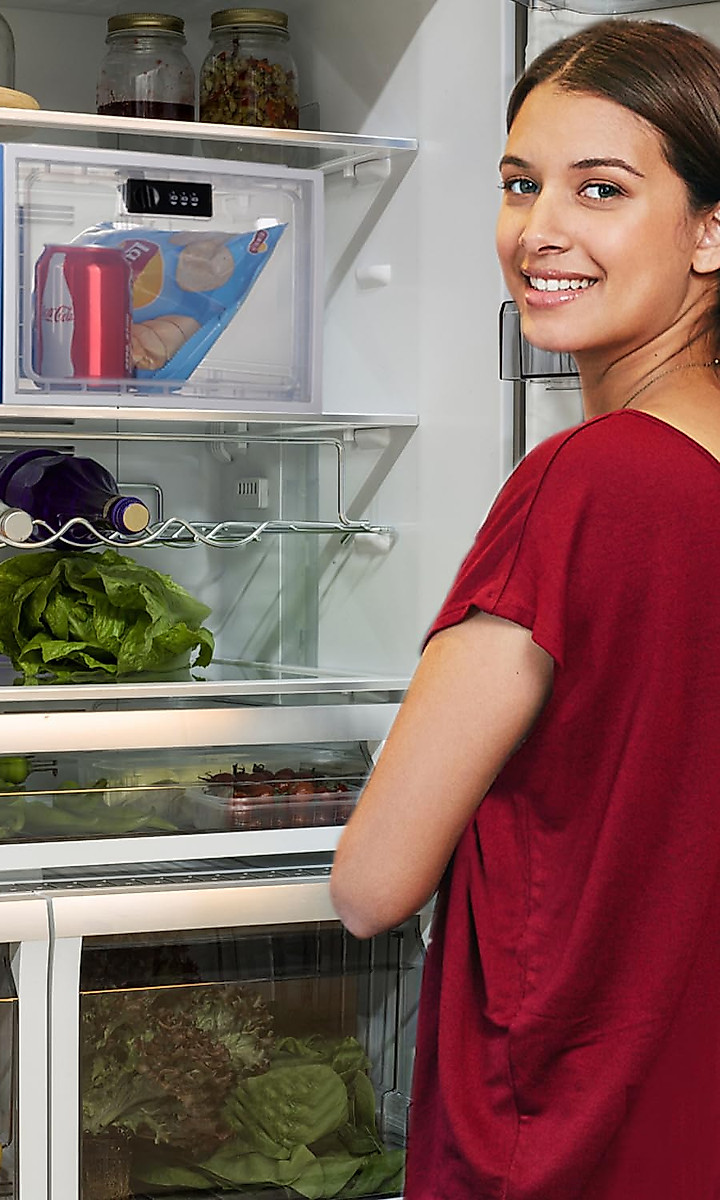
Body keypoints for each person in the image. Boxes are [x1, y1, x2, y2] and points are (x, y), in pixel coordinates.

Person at [330, 18, 720, 1200]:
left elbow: (372, 883)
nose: (540, 230)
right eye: (519, 182)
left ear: (713, 228)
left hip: (561, 1128)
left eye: (601, 188)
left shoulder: (591, 479)